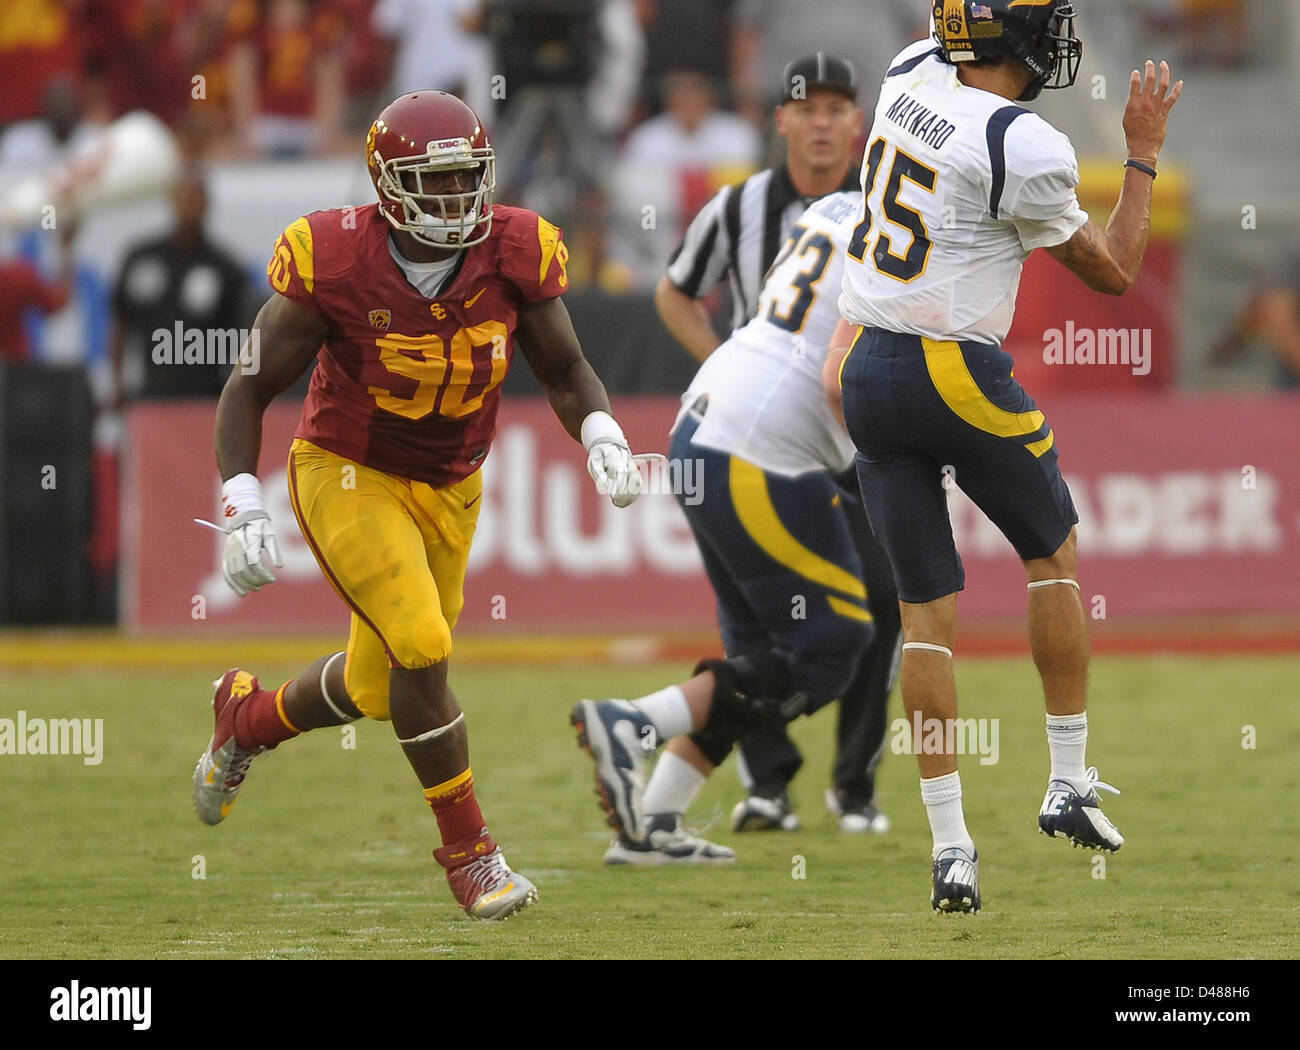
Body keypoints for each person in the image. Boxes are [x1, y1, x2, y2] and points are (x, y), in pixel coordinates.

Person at [191, 91, 646, 920]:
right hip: (348, 469)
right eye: (434, 184)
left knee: (380, 685)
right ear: (388, 185)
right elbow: (250, 383)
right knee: (422, 642)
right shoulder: (332, 257)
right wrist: (241, 501)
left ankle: (246, 719)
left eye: (468, 179)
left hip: (453, 485)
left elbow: (567, 371)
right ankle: (472, 856)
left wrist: (604, 434)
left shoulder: (513, 250)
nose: (456, 200)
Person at [832, 1, 1182, 912]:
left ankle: (951, 849)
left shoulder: (910, 71)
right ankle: (1066, 779)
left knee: (926, 619)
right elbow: (1112, 268)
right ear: (1015, 40)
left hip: (869, 369)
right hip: (951, 366)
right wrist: (1141, 153)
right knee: (1052, 554)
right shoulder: (1020, 143)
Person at [573, 188, 878, 864]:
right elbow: (838, 380)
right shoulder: (901, 227)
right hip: (761, 447)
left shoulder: (829, 208)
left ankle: (652, 821)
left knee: (753, 656)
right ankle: (633, 724)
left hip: (708, 420)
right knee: (833, 640)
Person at [654, 53, 900, 836]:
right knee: (789, 623)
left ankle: (851, 785)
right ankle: (766, 784)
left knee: (877, 608)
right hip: (784, 430)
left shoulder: (854, 210)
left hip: (788, 433)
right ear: (781, 120)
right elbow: (675, 290)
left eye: (837, 109)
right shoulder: (750, 207)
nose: (823, 122)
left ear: (856, 123)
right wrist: (734, 372)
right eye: (809, 108)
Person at [111, 170, 252, 404]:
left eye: (196, 197)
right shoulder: (142, 258)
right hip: (152, 392)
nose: (189, 205)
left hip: (206, 396)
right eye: (183, 196)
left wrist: (240, 394)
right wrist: (118, 383)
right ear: (171, 200)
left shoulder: (227, 268)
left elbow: (246, 340)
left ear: (207, 203)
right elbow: (120, 323)